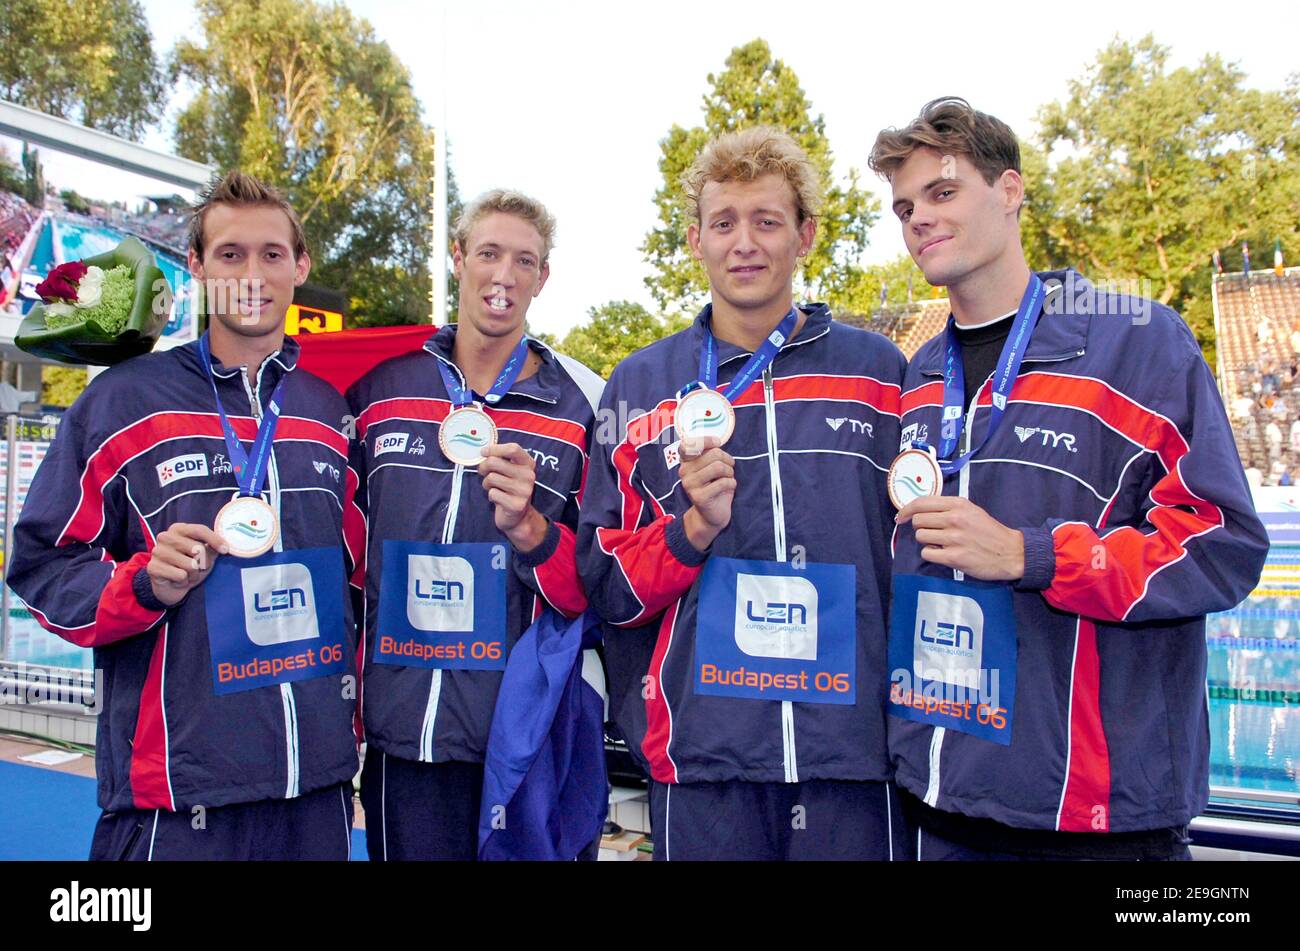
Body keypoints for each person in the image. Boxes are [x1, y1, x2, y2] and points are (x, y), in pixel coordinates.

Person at [869, 97, 1268, 860]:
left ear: (1010, 190)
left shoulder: (1138, 343)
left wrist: (1035, 556)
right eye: (904, 206)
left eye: (943, 192)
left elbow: (1224, 544)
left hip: (1094, 823)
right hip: (945, 805)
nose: (919, 217)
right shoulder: (921, 373)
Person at [10, 171, 365, 860]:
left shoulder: (329, 412)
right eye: (230, 254)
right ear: (198, 266)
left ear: (300, 266)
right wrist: (141, 585)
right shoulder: (124, 401)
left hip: (315, 793)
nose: (252, 274)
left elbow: (357, 576)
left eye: (271, 254)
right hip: (179, 800)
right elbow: (42, 562)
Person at [578, 127, 909, 861]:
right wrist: (688, 532)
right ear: (696, 240)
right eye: (724, 223)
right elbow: (604, 581)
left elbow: (916, 556)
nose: (745, 243)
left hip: (851, 756)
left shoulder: (880, 373)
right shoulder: (639, 385)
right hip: (703, 755)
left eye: (768, 220)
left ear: (806, 235)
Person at [346, 189, 604, 860]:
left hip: (521, 735)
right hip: (402, 731)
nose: (504, 275)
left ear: (543, 277)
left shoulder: (580, 410)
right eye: (488, 253)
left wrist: (534, 532)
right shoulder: (381, 393)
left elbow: (595, 586)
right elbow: (339, 547)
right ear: (457, 257)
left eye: (525, 261)